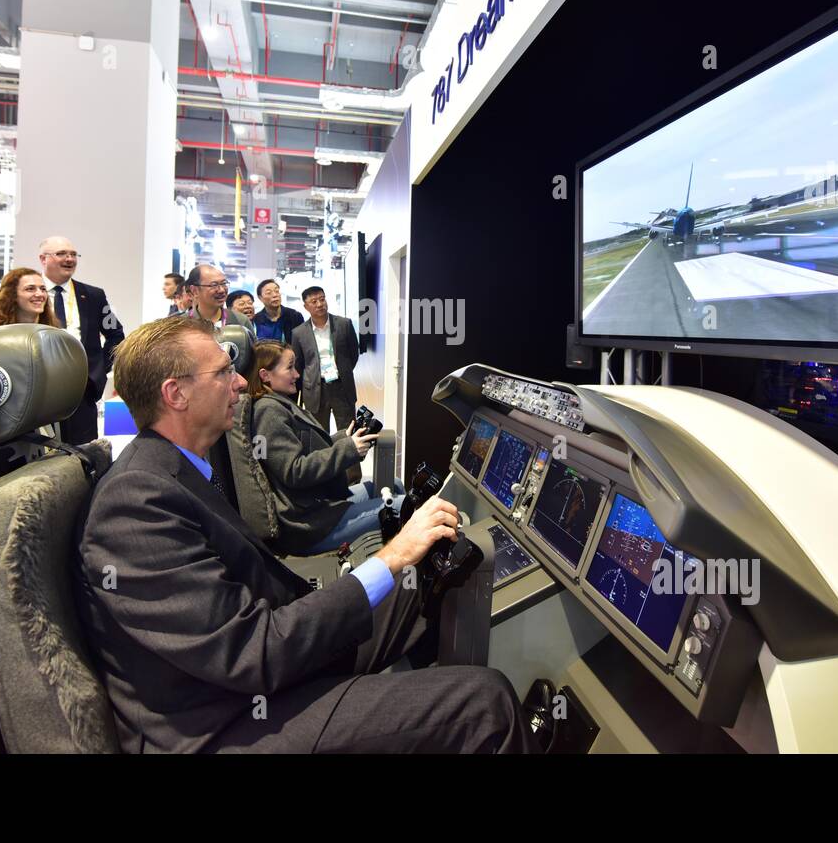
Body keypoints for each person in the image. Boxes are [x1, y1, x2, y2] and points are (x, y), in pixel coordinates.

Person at [74, 316, 535, 754]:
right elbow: (252, 651)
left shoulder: (180, 469)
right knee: (485, 703)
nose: (239, 383)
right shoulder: (135, 501)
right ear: (176, 394)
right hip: (220, 725)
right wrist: (391, 557)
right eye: (224, 372)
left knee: (421, 581)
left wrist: (406, 561)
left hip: (249, 673)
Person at [248, 341, 395, 555]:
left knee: (395, 484)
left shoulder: (278, 403)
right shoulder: (268, 411)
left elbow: (303, 447)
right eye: (289, 368)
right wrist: (349, 449)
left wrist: (343, 438)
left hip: (315, 507)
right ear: (265, 375)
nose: (297, 374)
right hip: (307, 524)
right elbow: (295, 470)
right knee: (399, 506)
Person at [38, 236, 125, 445]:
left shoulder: (93, 295)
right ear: (43, 259)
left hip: (82, 391)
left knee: (85, 455)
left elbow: (116, 334)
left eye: (73, 254)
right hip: (40, 390)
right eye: (61, 254)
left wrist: (98, 369)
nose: (69, 259)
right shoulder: (31, 292)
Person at [291, 285, 360, 432]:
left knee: (348, 430)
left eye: (322, 299)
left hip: (341, 385)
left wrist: (343, 371)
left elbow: (353, 354)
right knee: (318, 433)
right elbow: (299, 364)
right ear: (306, 306)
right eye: (314, 301)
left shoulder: (344, 324)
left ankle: (347, 455)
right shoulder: (298, 333)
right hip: (314, 388)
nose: (320, 304)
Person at [0, 267, 59, 332]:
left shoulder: (52, 331)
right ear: (12, 294)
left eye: (43, 289)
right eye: (30, 289)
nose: (40, 294)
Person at [185, 263, 252, 331]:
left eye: (224, 283)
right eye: (214, 285)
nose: (222, 290)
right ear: (195, 291)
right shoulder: (180, 324)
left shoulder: (240, 321)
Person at [252, 278, 304, 344]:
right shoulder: (256, 319)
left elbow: (302, 343)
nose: (275, 295)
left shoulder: (295, 316)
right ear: (260, 298)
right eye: (269, 293)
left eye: (277, 291)